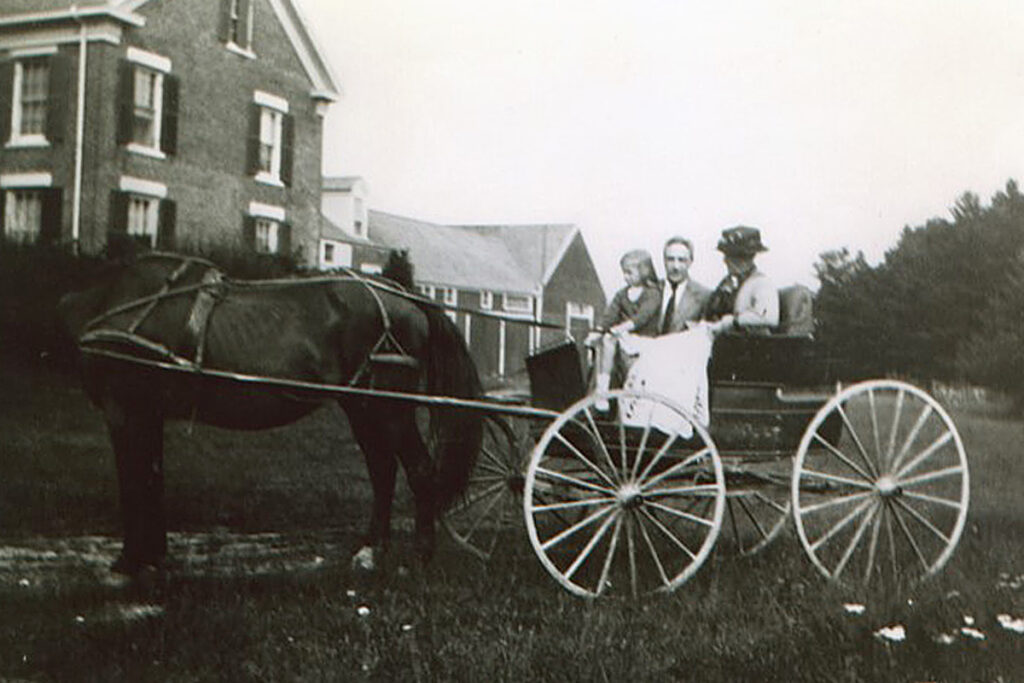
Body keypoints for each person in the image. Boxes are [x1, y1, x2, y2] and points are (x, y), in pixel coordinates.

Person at [585, 249, 661, 409]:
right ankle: (601, 389)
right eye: (624, 272)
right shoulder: (622, 294)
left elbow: (642, 317)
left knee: (609, 339)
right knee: (603, 340)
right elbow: (610, 315)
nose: (625, 277)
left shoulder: (652, 293)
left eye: (629, 272)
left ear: (644, 271)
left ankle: (606, 391)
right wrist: (597, 330)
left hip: (643, 340)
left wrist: (620, 328)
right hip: (624, 337)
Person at [704, 226, 779, 334]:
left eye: (731, 256)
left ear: (747, 257)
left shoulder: (761, 284)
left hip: (748, 345)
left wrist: (732, 321)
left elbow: (768, 317)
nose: (725, 260)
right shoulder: (728, 282)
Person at [658, 236, 711, 334]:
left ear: (690, 262)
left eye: (681, 260)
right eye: (670, 259)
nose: (675, 266)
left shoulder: (705, 296)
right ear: (664, 261)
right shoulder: (652, 290)